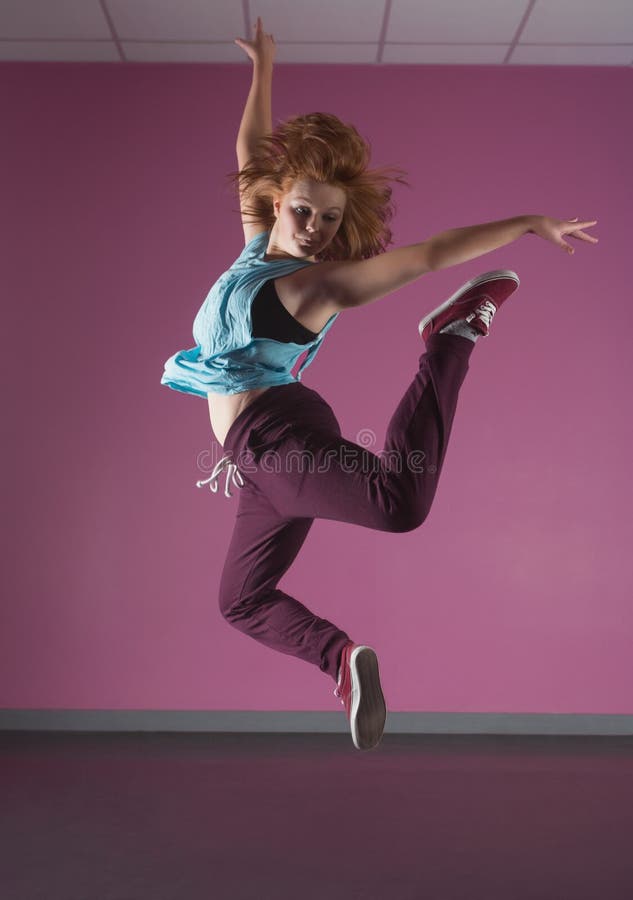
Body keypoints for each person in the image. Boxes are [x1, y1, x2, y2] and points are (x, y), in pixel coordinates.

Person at [161, 18, 598, 751]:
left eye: (329, 220)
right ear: (274, 202)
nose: (313, 228)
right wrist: (263, 72)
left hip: (276, 436)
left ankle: (449, 340)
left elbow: (427, 255)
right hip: (256, 461)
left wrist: (525, 222)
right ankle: (341, 659)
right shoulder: (251, 251)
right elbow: (250, 153)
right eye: (302, 210)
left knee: (400, 504)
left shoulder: (318, 284)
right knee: (239, 600)